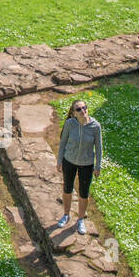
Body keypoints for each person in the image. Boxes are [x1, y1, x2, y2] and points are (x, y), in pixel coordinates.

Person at [55, 100, 102, 235]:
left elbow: (98, 148)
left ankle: (80, 219)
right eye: (79, 109)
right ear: (74, 113)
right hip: (69, 160)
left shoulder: (95, 126)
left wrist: (98, 166)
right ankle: (66, 215)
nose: (83, 111)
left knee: (83, 192)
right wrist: (59, 161)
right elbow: (63, 142)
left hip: (86, 163)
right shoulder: (70, 124)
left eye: (84, 108)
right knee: (67, 188)